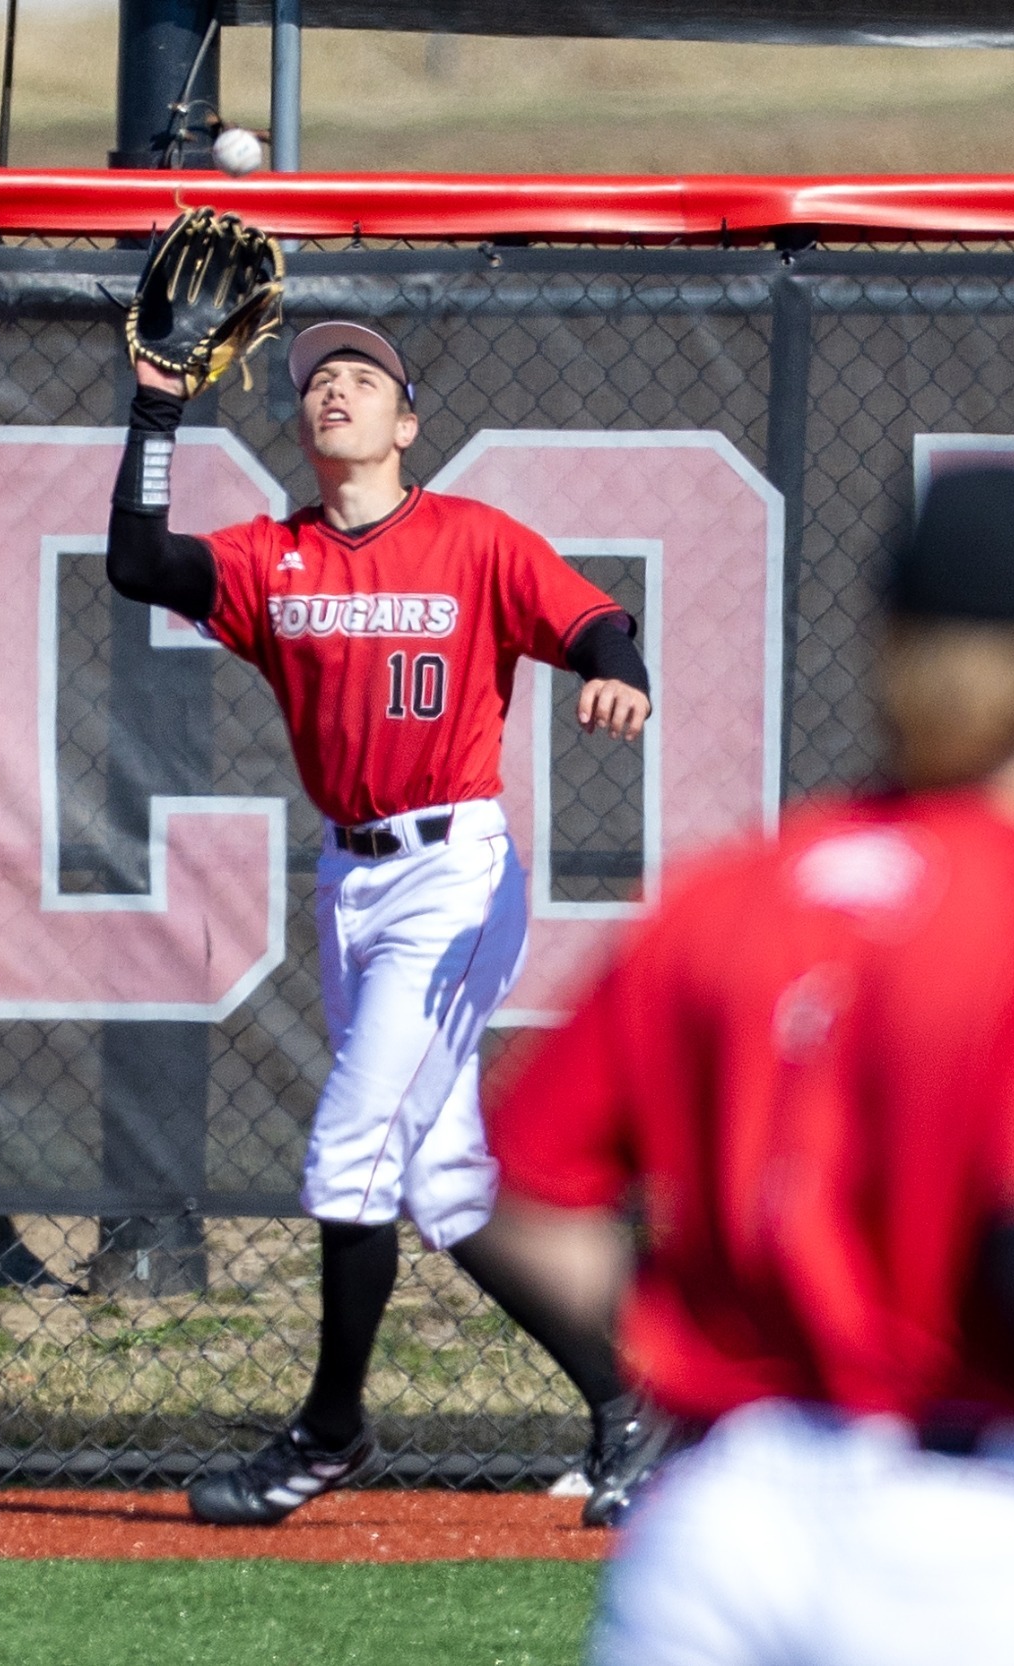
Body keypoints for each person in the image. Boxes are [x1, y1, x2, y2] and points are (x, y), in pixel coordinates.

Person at [483, 468, 1014, 1664]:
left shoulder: (720, 898)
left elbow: (529, 1199)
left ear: (882, 628)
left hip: (715, 1529)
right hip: (961, 1539)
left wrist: (707, 1327)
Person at [104, 319, 668, 1528]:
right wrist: (156, 411)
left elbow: (589, 621)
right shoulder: (274, 557)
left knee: (347, 1154)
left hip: (453, 876)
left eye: (364, 380)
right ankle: (631, 1402)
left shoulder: (472, 539)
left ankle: (330, 1427)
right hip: (347, 879)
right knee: (448, 1182)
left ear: (407, 425)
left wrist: (620, 672)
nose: (335, 392)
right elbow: (140, 565)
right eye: (317, 382)